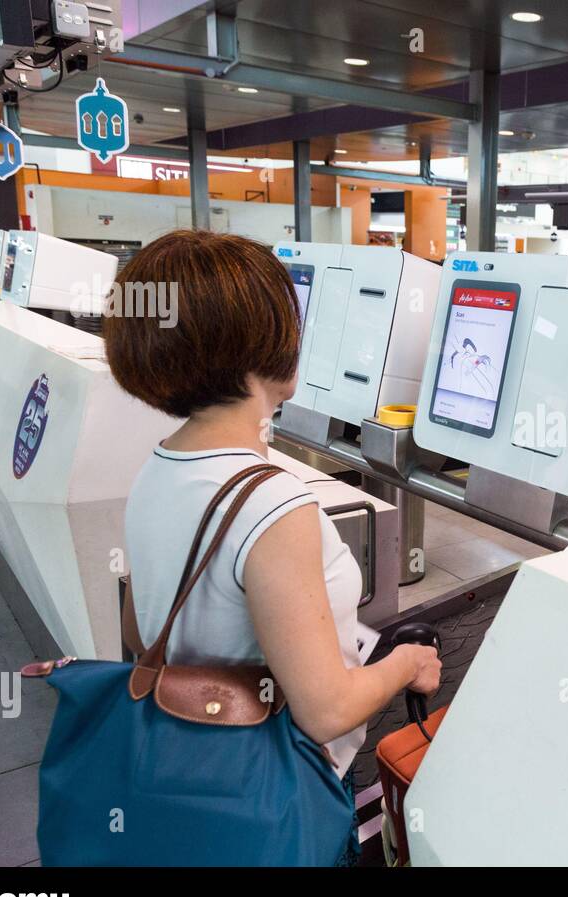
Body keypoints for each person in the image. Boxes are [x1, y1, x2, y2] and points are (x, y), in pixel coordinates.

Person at [104, 230, 440, 853]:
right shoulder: (271, 502)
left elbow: (141, 620)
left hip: (191, 771)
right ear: (263, 346)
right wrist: (406, 664)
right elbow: (326, 711)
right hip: (275, 799)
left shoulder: (160, 465)